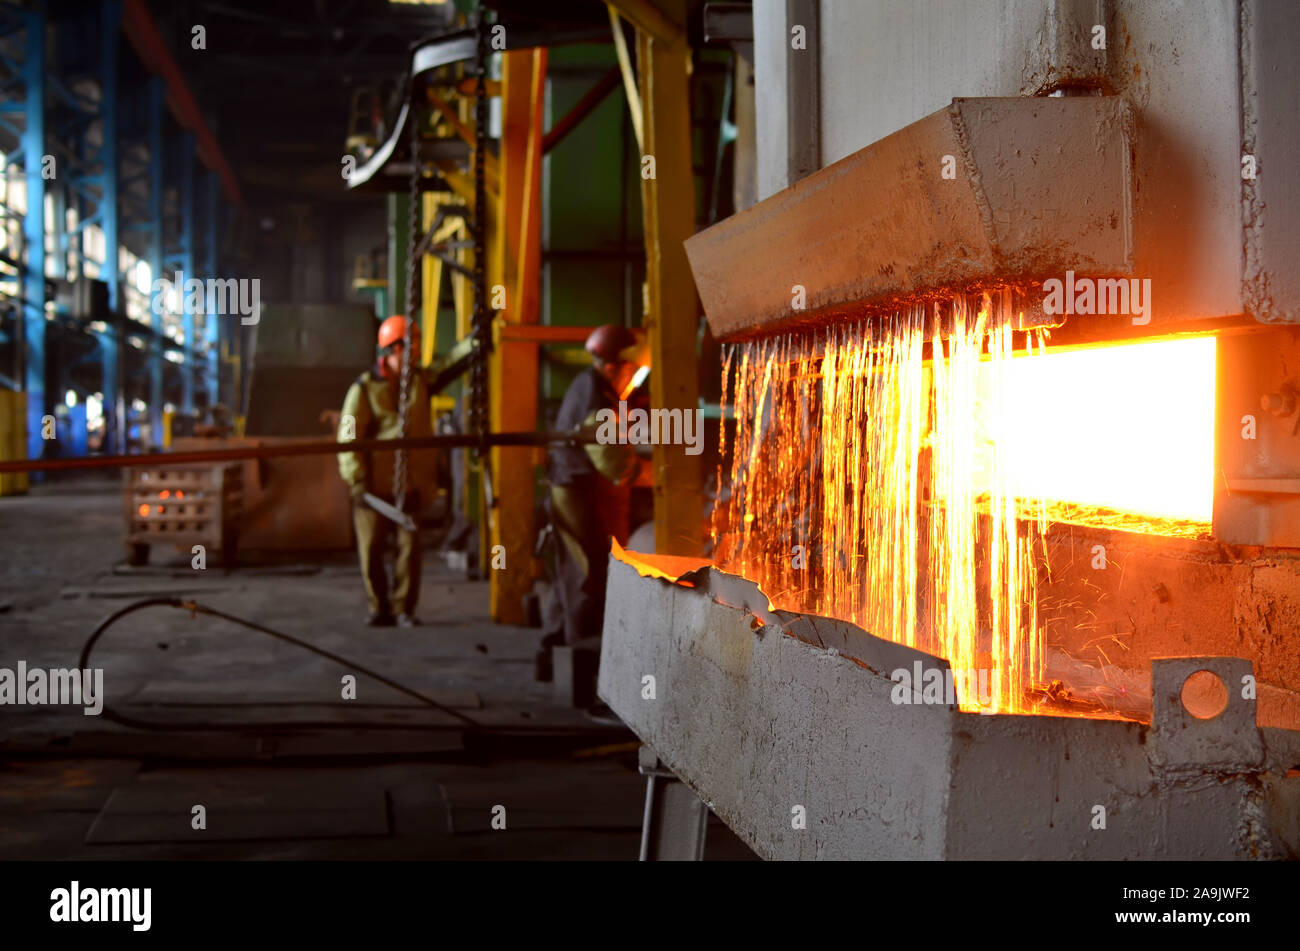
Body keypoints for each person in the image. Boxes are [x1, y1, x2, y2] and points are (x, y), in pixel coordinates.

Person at [538, 324, 643, 676]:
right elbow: (611, 457)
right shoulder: (596, 397)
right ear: (612, 366)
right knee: (587, 571)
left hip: (569, 485)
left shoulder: (592, 385)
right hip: (574, 490)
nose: (633, 376)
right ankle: (582, 662)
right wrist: (644, 472)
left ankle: (553, 649)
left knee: (570, 570)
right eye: (630, 369)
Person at [337, 315, 438, 627]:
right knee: (371, 549)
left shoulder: (420, 382)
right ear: (393, 349)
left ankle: (403, 608)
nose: (418, 351)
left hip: (408, 485)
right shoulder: (364, 388)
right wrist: (355, 479)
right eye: (412, 344)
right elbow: (348, 435)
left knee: (409, 551)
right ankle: (379, 607)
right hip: (372, 489)